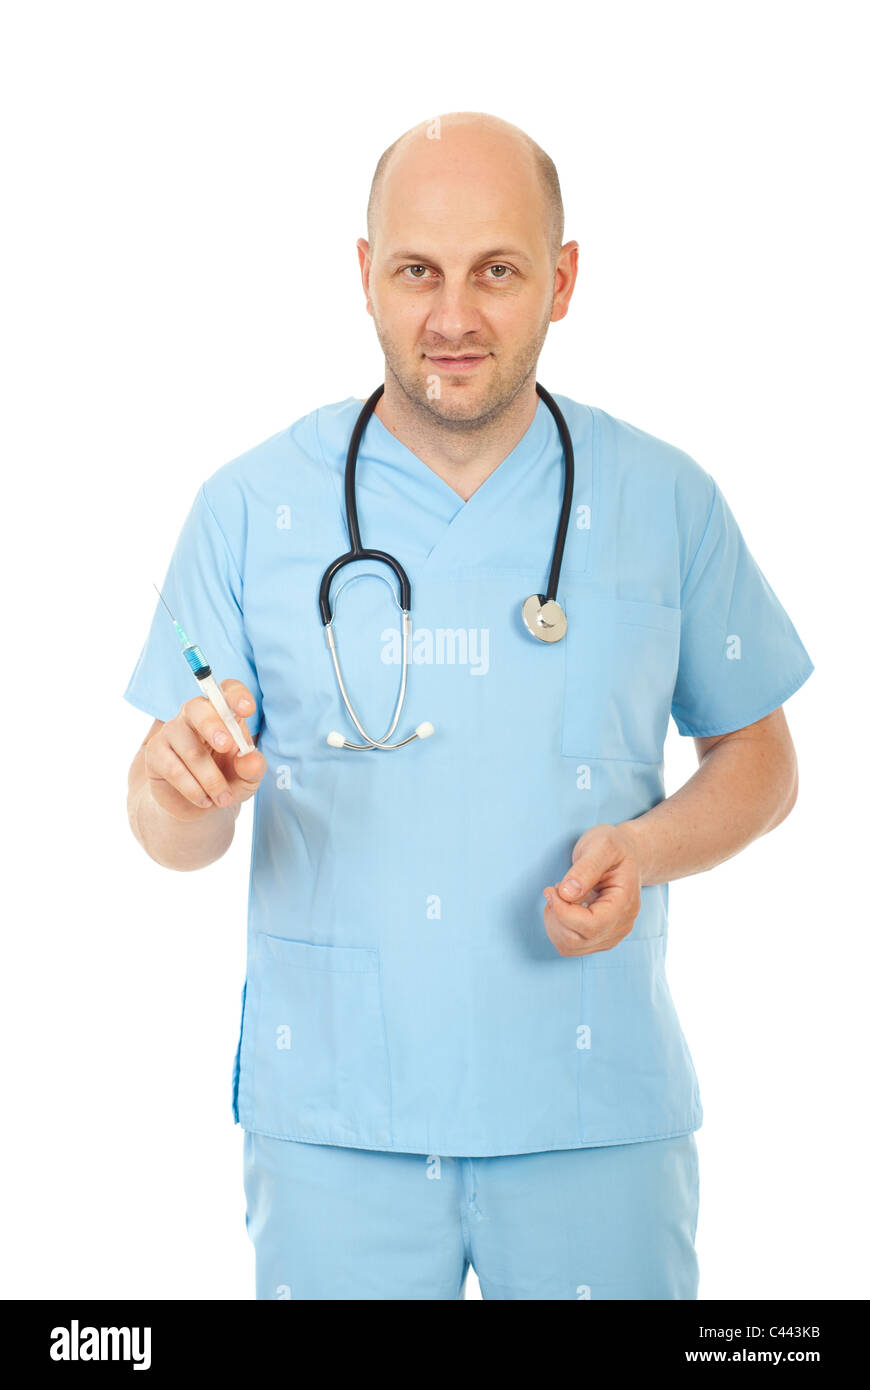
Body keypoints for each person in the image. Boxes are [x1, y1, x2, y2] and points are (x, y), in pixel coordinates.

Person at [124, 111, 814, 1301]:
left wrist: (646, 848)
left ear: (563, 278)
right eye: (417, 271)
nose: (453, 316)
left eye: (497, 270)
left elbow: (762, 759)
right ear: (364, 276)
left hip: (595, 1115)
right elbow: (173, 831)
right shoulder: (248, 508)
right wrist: (173, 788)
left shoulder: (665, 498)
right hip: (339, 1119)